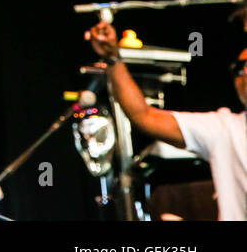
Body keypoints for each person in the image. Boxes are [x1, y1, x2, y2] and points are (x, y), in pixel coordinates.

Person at [86, 19, 246, 221]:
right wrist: (112, 58)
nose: (244, 72)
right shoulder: (224, 128)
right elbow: (143, 116)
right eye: (239, 69)